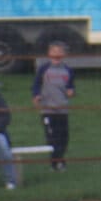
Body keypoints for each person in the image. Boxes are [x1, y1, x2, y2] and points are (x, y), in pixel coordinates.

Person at [33, 40, 75, 171]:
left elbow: (70, 86)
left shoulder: (68, 70)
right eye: (54, 51)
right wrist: (36, 95)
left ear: (64, 54)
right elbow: (36, 85)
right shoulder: (44, 69)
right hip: (48, 110)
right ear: (49, 54)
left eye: (59, 52)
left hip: (62, 110)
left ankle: (59, 160)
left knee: (64, 137)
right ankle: (55, 163)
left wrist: (71, 91)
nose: (56, 54)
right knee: (52, 137)